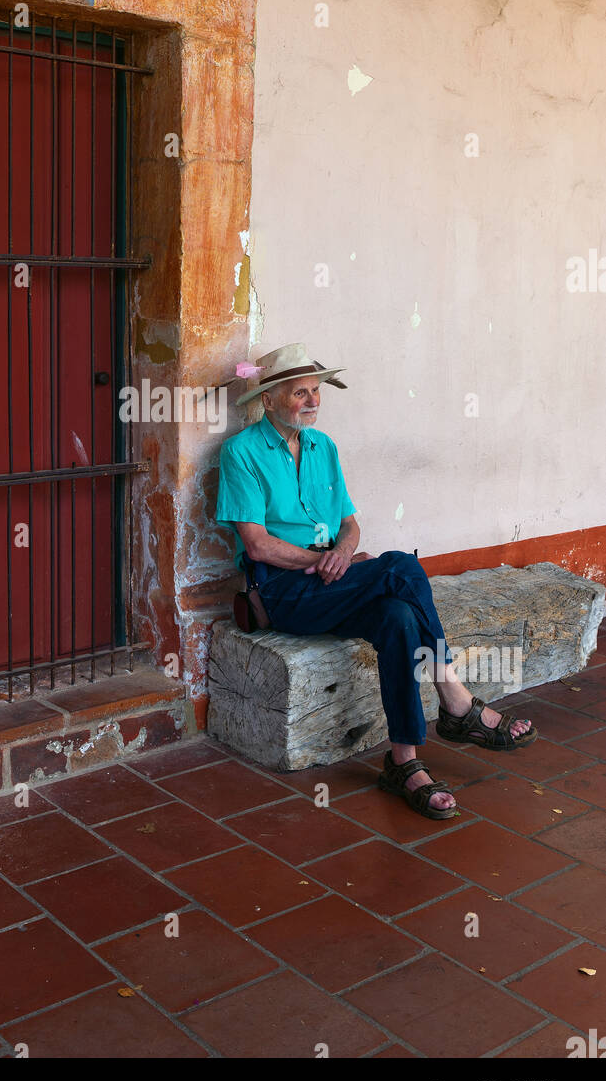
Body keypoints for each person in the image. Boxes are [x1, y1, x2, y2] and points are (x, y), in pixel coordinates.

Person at [215, 342, 537, 820]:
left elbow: (349, 524)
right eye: (299, 393)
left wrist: (342, 554)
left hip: (330, 580)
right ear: (268, 400)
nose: (312, 401)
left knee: (399, 616)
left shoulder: (324, 448)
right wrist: (320, 561)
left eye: (316, 392)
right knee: (401, 567)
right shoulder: (241, 453)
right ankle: (455, 699)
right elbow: (258, 545)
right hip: (283, 592)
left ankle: (403, 761)